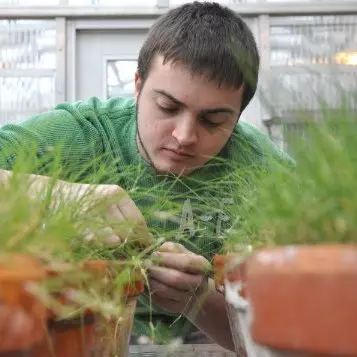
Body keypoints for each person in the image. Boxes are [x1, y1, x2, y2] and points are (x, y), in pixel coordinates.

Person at [0, 1, 288, 352]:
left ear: (239, 116)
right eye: (167, 107)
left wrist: (196, 299)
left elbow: (276, 337)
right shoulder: (81, 134)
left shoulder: (262, 170)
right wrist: (56, 194)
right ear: (137, 87)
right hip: (80, 327)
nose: (184, 136)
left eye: (212, 121)